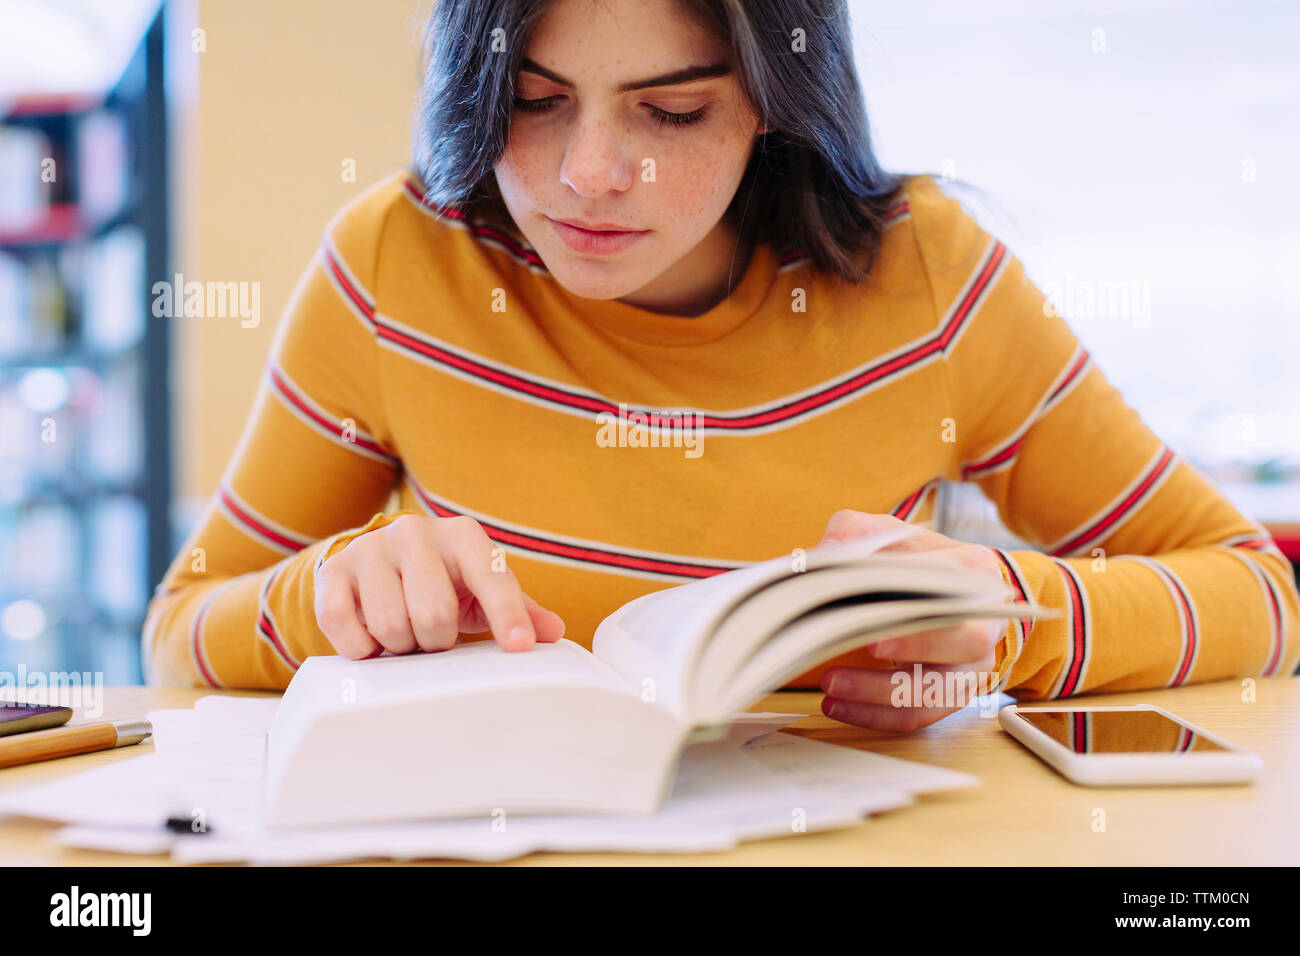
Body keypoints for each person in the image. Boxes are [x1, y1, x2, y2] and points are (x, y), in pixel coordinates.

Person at [144, 0, 1299, 733]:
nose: (590, 171)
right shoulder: (396, 260)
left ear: (773, 111)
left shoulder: (929, 282)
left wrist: (1006, 616)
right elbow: (178, 627)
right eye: (534, 102)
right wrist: (322, 594)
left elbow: (1262, 591)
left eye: (673, 112)